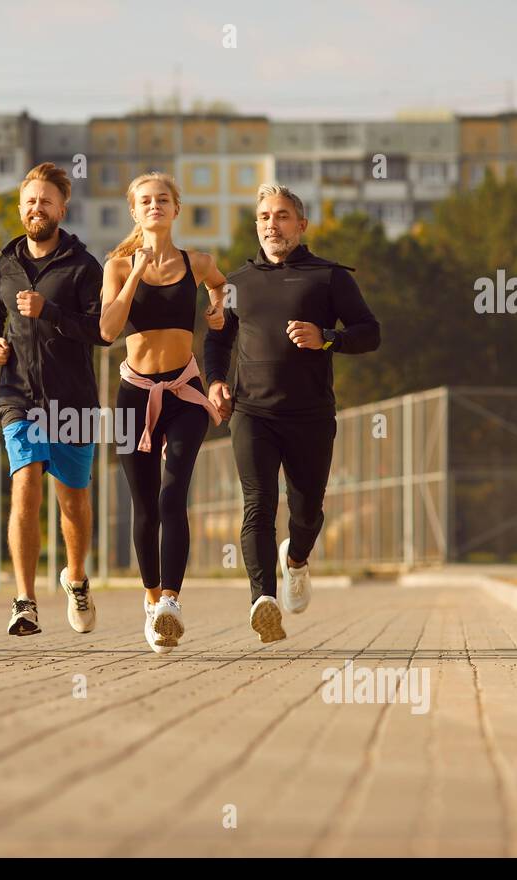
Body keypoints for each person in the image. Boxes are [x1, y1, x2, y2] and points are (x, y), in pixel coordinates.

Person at [204, 183, 380, 643]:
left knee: (306, 510)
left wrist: (327, 337)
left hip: (310, 415)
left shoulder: (329, 277)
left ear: (301, 225)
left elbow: (369, 332)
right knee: (258, 503)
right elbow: (218, 340)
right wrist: (216, 381)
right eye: (264, 216)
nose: (271, 225)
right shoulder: (235, 284)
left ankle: (297, 559)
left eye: (282, 216)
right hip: (252, 413)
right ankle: (263, 600)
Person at [0, 162, 108, 637]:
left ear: (61, 208)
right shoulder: (4, 264)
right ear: (21, 208)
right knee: (25, 482)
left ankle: (75, 578)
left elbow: (102, 331)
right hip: (19, 395)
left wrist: (49, 311)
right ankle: (25, 601)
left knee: (72, 501)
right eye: (30, 201)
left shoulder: (83, 266)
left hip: (73, 400)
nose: (37, 208)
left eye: (46, 201)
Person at [99, 171, 227, 654]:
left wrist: (217, 309)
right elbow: (108, 331)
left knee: (175, 495)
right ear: (135, 211)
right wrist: (135, 272)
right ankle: (151, 601)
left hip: (185, 391)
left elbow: (222, 288)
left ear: (176, 209)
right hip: (134, 395)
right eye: (146, 201)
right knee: (146, 503)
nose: (155, 206)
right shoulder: (115, 266)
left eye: (163, 200)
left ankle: (171, 601)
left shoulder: (198, 262)